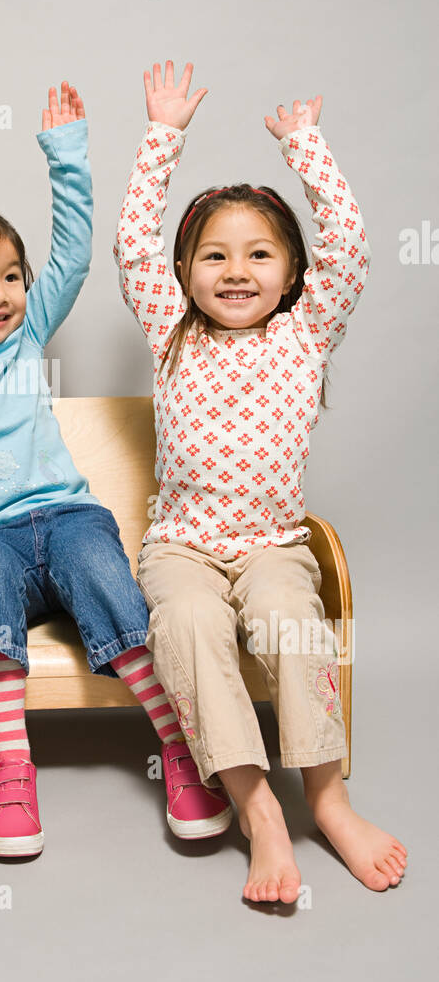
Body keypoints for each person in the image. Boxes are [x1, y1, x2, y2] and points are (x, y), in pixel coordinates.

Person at [0, 81, 232, 858]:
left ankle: (179, 750)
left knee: (108, 577)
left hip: (69, 518)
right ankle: (10, 771)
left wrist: (65, 155)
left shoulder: (27, 332)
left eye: (9, 274)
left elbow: (73, 251)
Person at [115, 59, 407, 902]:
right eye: (213, 256)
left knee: (291, 618)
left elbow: (350, 241)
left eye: (258, 254)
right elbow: (134, 241)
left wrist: (305, 145)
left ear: (291, 272)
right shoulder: (172, 329)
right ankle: (259, 811)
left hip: (274, 542)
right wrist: (163, 136)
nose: (235, 271)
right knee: (192, 621)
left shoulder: (307, 333)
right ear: (185, 273)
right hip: (183, 547)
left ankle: (327, 798)